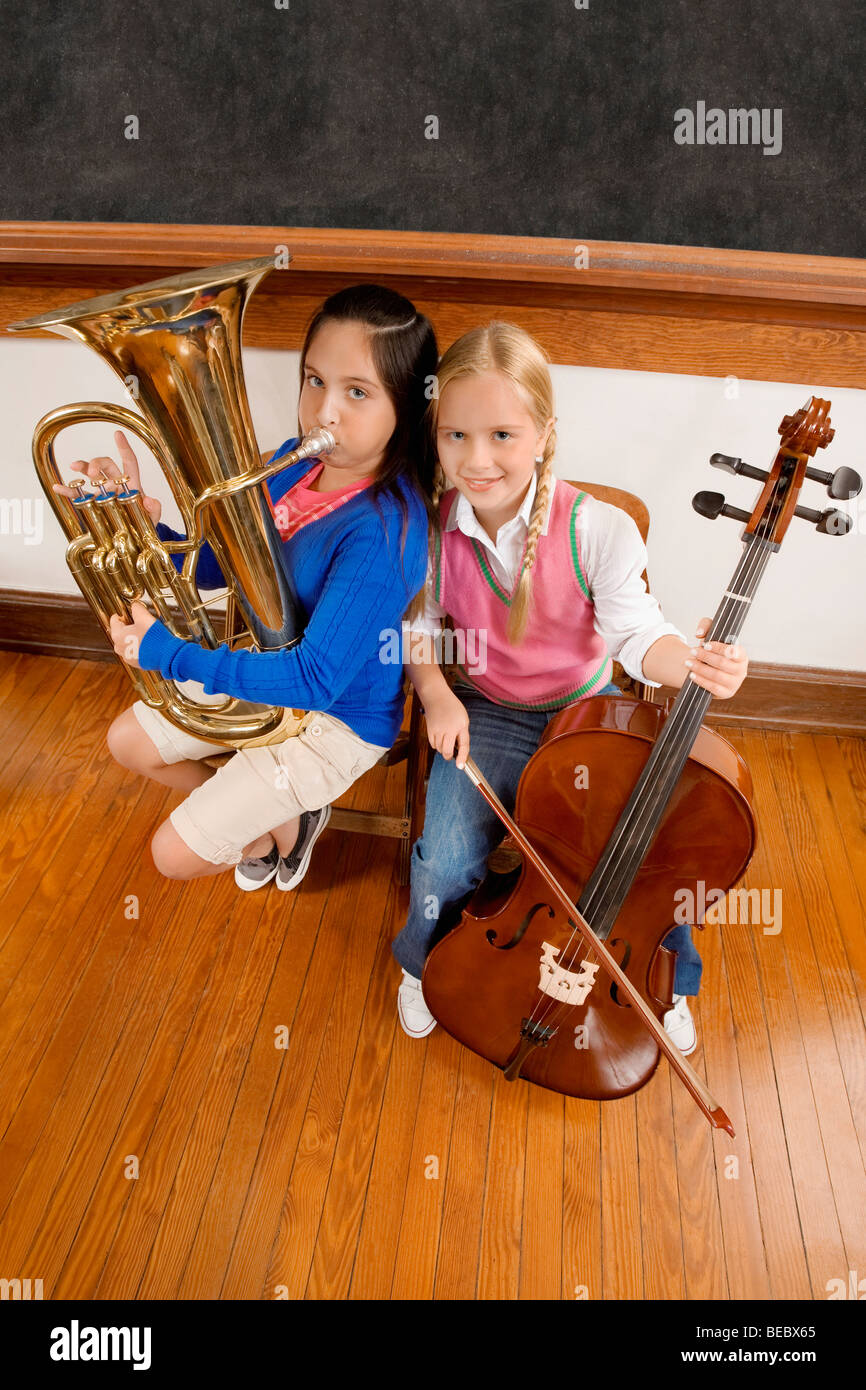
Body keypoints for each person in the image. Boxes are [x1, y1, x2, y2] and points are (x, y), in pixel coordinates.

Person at [393, 321, 748, 1055]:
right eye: (456, 436)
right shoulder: (427, 527)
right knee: (446, 854)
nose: (476, 459)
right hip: (489, 709)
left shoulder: (601, 530)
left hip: (588, 716)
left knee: (652, 850)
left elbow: (638, 637)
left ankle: (666, 981)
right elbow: (420, 628)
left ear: (545, 436)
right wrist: (436, 695)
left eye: (501, 435)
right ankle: (420, 959)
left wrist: (697, 663)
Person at [54, 285, 438, 890]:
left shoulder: (386, 531)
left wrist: (170, 655)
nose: (324, 412)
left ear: (407, 409)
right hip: (269, 670)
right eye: (315, 380)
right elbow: (218, 568)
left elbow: (315, 680)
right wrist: (138, 518)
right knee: (127, 742)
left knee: (170, 858)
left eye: (357, 392)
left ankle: (279, 811)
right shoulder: (290, 462)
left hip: (335, 718)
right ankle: (284, 822)